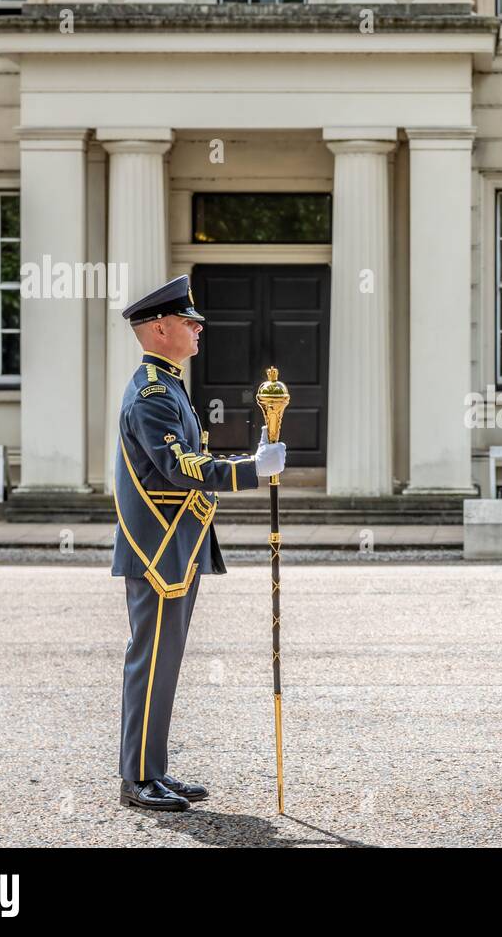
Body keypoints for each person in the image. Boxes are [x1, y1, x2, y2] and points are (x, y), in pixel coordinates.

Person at [111, 274, 287, 812]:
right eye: (190, 322)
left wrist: (249, 459)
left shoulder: (169, 387)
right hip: (158, 545)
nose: (198, 329)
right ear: (160, 328)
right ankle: (138, 776)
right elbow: (179, 465)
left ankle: (153, 768)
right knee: (151, 660)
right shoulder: (152, 395)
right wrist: (249, 471)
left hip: (177, 543)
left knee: (165, 662)